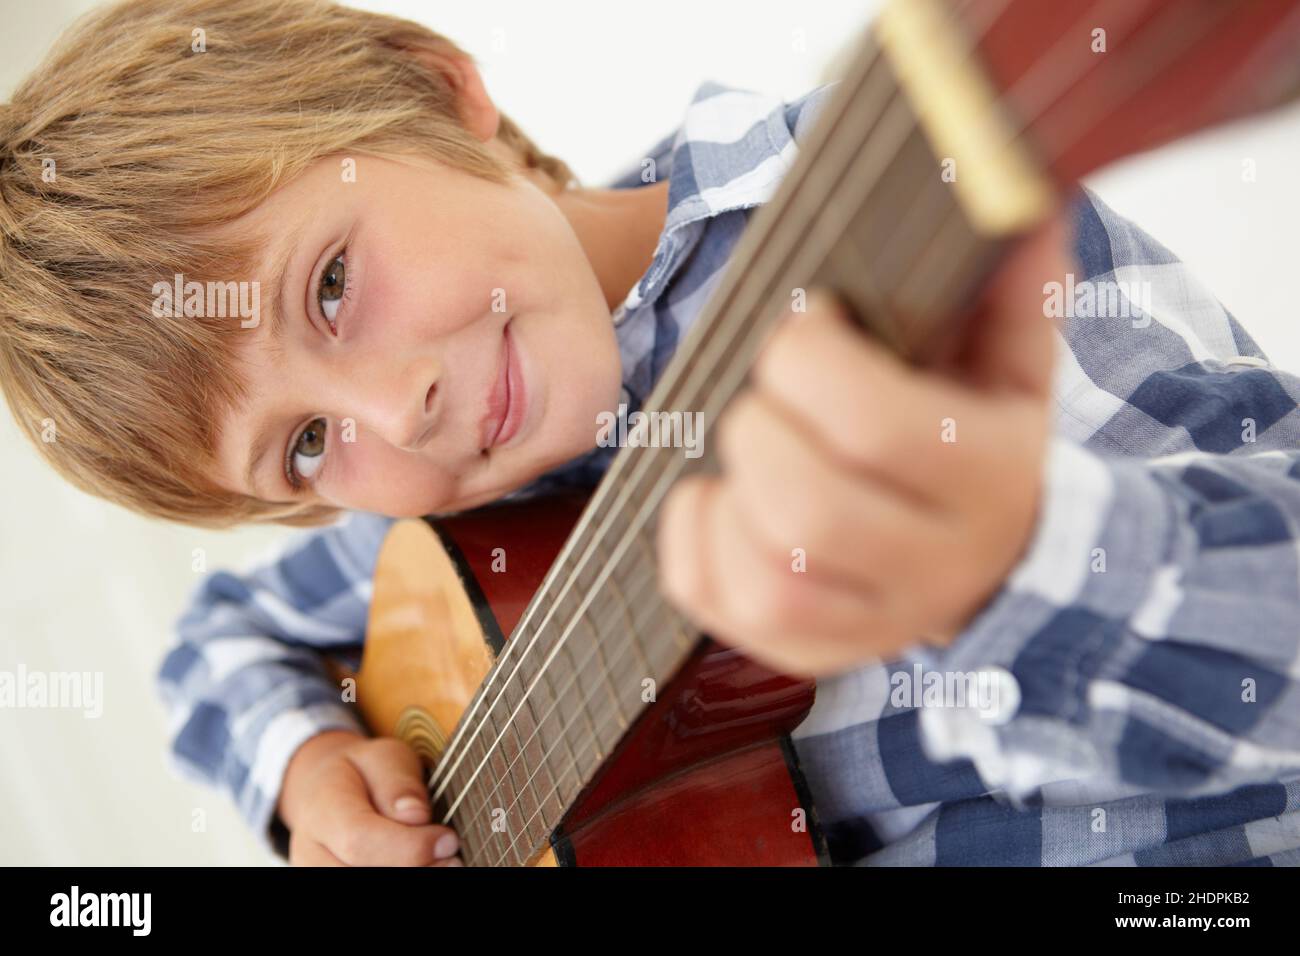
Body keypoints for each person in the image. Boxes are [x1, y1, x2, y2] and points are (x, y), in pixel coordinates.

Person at [2, 0, 1297, 866]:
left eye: (331, 287)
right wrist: (306, 774)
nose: (396, 412)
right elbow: (216, 643)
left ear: (436, 91)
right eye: (302, 451)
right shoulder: (440, 516)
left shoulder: (895, 223)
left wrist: (1013, 569)